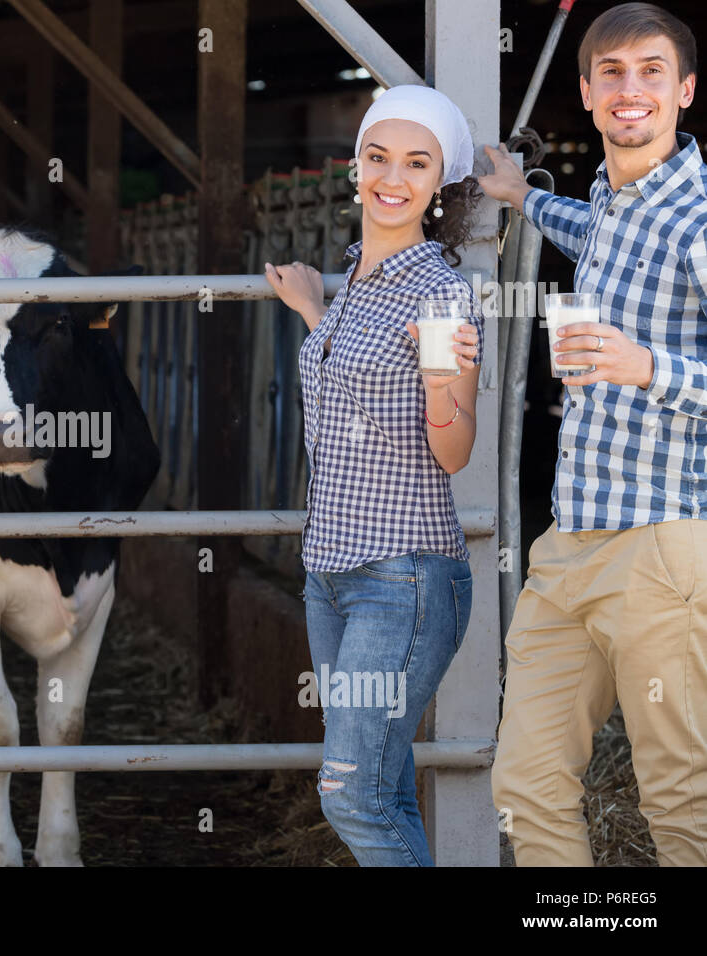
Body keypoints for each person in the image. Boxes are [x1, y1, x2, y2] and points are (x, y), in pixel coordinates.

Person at [479, 2, 707, 866]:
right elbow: (587, 227)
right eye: (611, 72)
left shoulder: (699, 222)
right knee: (527, 787)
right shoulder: (612, 203)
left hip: (661, 541)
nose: (631, 89)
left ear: (685, 89)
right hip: (570, 543)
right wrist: (519, 195)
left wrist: (642, 365)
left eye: (652, 71)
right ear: (585, 91)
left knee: (682, 800)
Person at [265, 84, 484, 866]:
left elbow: (453, 454)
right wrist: (315, 313)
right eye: (379, 157)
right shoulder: (354, 281)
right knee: (383, 789)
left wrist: (443, 388)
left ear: (439, 183)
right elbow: (357, 385)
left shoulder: (441, 292)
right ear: (355, 165)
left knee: (350, 793)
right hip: (330, 574)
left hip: (403, 576)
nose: (393, 176)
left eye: (416, 163)